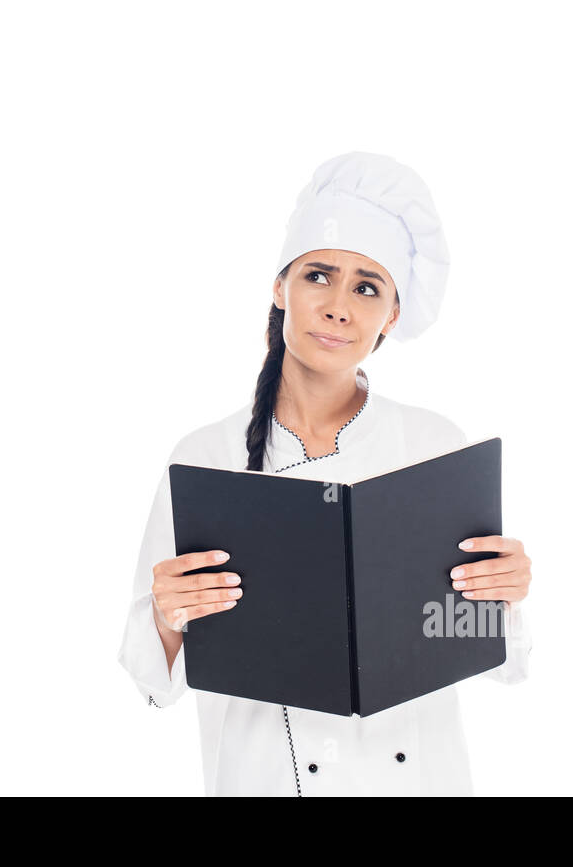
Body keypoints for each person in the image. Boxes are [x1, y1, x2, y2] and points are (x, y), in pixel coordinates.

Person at [117, 152, 533, 796]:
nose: (339, 307)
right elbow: (153, 681)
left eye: (368, 287)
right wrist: (170, 616)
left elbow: (485, 651)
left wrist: (498, 596)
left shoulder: (433, 445)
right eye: (319, 276)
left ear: (390, 317)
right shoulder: (204, 456)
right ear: (280, 287)